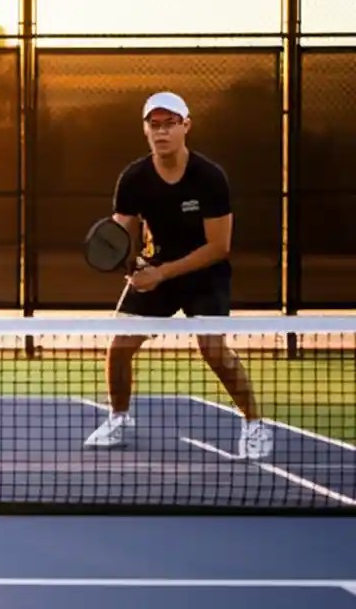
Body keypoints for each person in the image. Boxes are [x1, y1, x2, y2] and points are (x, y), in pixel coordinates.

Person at [83, 91, 273, 460]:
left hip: (205, 273)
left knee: (213, 349)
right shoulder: (134, 178)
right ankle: (118, 418)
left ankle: (254, 423)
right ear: (145, 130)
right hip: (156, 267)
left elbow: (218, 246)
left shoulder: (209, 177)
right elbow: (120, 235)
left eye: (169, 123)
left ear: (186, 126)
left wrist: (161, 273)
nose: (161, 131)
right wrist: (132, 265)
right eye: (154, 124)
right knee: (119, 346)